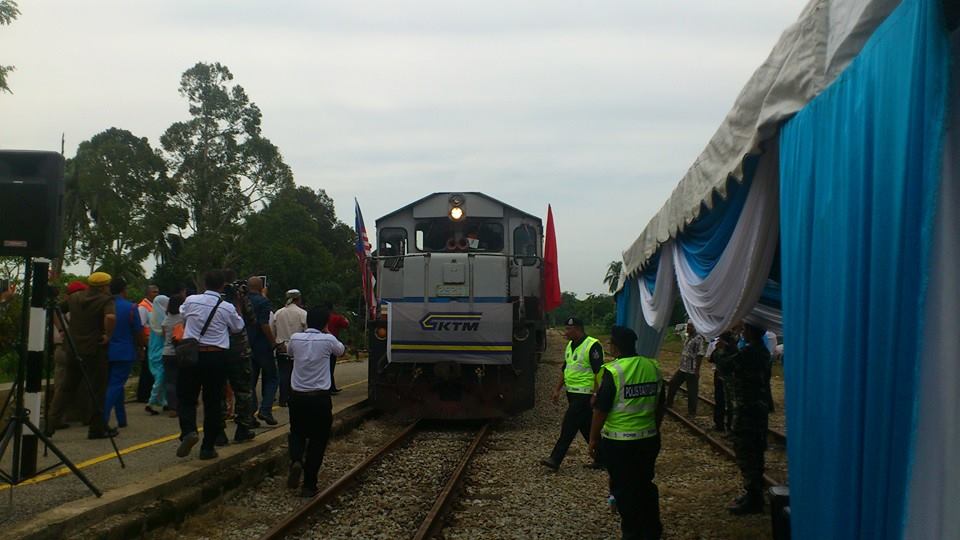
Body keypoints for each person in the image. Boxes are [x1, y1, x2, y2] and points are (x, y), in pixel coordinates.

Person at [589, 325, 664, 540]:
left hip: (619, 442)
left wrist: (593, 439)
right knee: (645, 484)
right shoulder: (653, 366)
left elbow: (601, 410)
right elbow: (660, 404)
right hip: (648, 439)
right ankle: (652, 530)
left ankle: (632, 532)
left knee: (623, 487)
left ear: (615, 347)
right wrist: (654, 429)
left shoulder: (614, 371)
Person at [176, 270, 244, 460]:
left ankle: (188, 430)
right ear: (223, 286)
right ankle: (207, 448)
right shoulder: (227, 307)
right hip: (216, 356)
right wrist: (238, 304)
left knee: (186, 396)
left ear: (205, 283)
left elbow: (183, 316)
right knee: (213, 402)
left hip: (191, 355)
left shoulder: (191, 300)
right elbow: (238, 327)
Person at [47, 272, 117, 439]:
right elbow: (110, 317)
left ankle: (50, 424)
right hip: (95, 349)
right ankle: (96, 428)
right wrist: (108, 335)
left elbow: (54, 310)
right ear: (103, 287)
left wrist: (62, 329)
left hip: (73, 348)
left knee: (66, 387)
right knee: (98, 389)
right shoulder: (106, 300)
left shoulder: (75, 297)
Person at [285, 306, 345, 498]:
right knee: (318, 440)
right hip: (319, 398)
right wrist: (327, 331)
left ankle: (296, 459)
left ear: (307, 321)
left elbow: (290, 353)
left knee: (297, 432)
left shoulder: (295, 338)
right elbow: (341, 351)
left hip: (297, 397)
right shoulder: (328, 340)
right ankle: (309, 485)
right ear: (325, 323)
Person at [540, 317, 603, 471]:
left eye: (569, 329)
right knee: (586, 427)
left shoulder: (592, 345)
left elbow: (599, 372)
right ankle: (603, 458)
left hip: (584, 394)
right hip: (572, 393)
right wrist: (557, 389)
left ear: (578, 329)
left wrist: (596, 393)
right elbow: (566, 368)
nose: (566, 332)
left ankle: (555, 459)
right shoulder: (570, 345)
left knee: (569, 426)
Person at [728, 323, 771, 515]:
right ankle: (753, 494)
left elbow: (726, 365)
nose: (742, 332)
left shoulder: (750, 352)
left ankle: (754, 498)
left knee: (747, 453)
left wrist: (725, 348)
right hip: (757, 408)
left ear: (751, 332)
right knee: (755, 453)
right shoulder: (762, 351)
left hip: (748, 410)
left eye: (745, 330)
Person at [218, 270, 258, 444]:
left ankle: (219, 431)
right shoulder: (239, 295)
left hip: (219, 349)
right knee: (243, 391)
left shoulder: (213, 297)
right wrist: (242, 298)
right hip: (239, 349)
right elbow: (251, 319)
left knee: (219, 391)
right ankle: (242, 429)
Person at [48, 280, 93, 429]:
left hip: (60, 348)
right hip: (70, 348)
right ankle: (86, 416)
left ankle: (57, 418)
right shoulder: (76, 309)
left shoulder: (57, 309)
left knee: (62, 385)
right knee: (81, 384)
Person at [104, 277, 143, 429]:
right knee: (115, 385)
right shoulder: (131, 307)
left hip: (106, 350)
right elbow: (138, 331)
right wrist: (141, 348)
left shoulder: (105, 306)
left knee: (115, 384)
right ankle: (102, 419)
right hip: (125, 351)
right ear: (123, 290)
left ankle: (121, 418)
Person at [246, 276, 279, 425]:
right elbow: (264, 324)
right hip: (262, 345)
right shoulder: (263, 302)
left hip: (248, 345)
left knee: (251, 381)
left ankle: (250, 414)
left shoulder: (242, 301)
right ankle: (265, 410)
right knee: (272, 378)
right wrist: (273, 342)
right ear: (261, 287)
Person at [272, 289, 307, 406]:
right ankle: (294, 396)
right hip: (298, 348)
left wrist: (276, 343)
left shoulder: (278, 313)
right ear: (298, 299)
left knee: (283, 373)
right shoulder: (302, 313)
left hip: (281, 347)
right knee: (296, 374)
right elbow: (307, 331)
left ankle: (283, 397)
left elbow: (273, 330)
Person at [666, 322, 707, 416]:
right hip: (683, 368)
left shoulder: (698, 339)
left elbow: (700, 354)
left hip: (691, 370)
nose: (688, 328)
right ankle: (668, 403)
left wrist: (697, 370)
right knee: (673, 383)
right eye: (688, 326)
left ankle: (692, 412)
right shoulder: (688, 337)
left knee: (692, 391)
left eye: (690, 326)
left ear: (695, 328)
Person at [160, 294, 184, 418]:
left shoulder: (166, 320)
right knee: (183, 380)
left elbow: (164, 337)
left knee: (170, 382)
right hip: (181, 353)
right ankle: (183, 405)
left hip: (167, 353)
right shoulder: (183, 318)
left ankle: (172, 408)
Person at [144, 294, 169, 415]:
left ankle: (164, 402)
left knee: (160, 377)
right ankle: (151, 401)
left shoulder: (152, 317)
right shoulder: (166, 319)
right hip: (161, 351)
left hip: (153, 351)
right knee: (161, 377)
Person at [709, 331, 738, 432]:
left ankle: (729, 427)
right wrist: (718, 349)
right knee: (719, 400)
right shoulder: (721, 348)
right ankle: (719, 424)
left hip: (728, 379)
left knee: (730, 403)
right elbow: (711, 359)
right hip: (719, 377)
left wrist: (720, 350)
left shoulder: (733, 350)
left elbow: (726, 363)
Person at [136, 285, 159, 403]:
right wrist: (143, 344)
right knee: (146, 369)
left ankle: (148, 393)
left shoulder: (154, 306)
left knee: (150, 369)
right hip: (147, 341)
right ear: (147, 293)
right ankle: (143, 395)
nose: (156, 294)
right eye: (154, 292)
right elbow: (140, 326)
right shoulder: (143, 307)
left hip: (153, 342)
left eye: (157, 292)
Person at [324, 302, 350, 394]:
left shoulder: (321, 318)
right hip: (332, 344)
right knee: (330, 367)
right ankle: (330, 387)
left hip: (320, 344)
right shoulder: (336, 318)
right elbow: (346, 324)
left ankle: (329, 387)